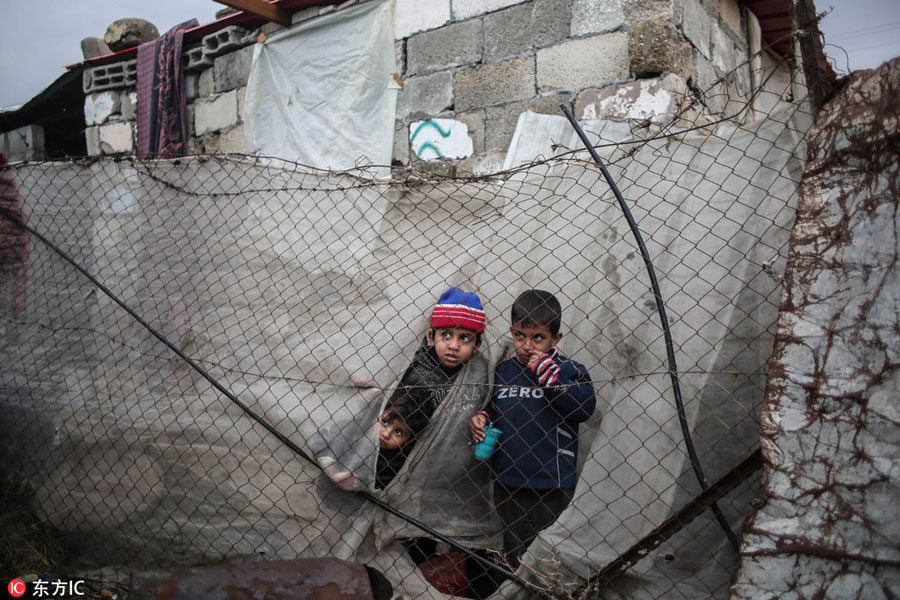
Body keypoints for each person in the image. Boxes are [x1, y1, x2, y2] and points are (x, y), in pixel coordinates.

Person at [469, 289, 596, 569]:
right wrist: (482, 417)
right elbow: (495, 406)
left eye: (537, 337)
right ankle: (512, 585)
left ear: (555, 339)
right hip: (508, 478)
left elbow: (584, 409)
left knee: (547, 554)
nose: (527, 345)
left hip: (550, 481)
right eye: (519, 335)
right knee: (512, 548)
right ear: (511, 332)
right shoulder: (503, 371)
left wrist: (554, 380)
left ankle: (541, 587)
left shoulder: (569, 370)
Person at [374, 385, 432, 490]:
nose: (386, 434)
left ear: (409, 439)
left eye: (398, 432)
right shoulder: (358, 438)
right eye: (385, 422)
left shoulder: (402, 464)